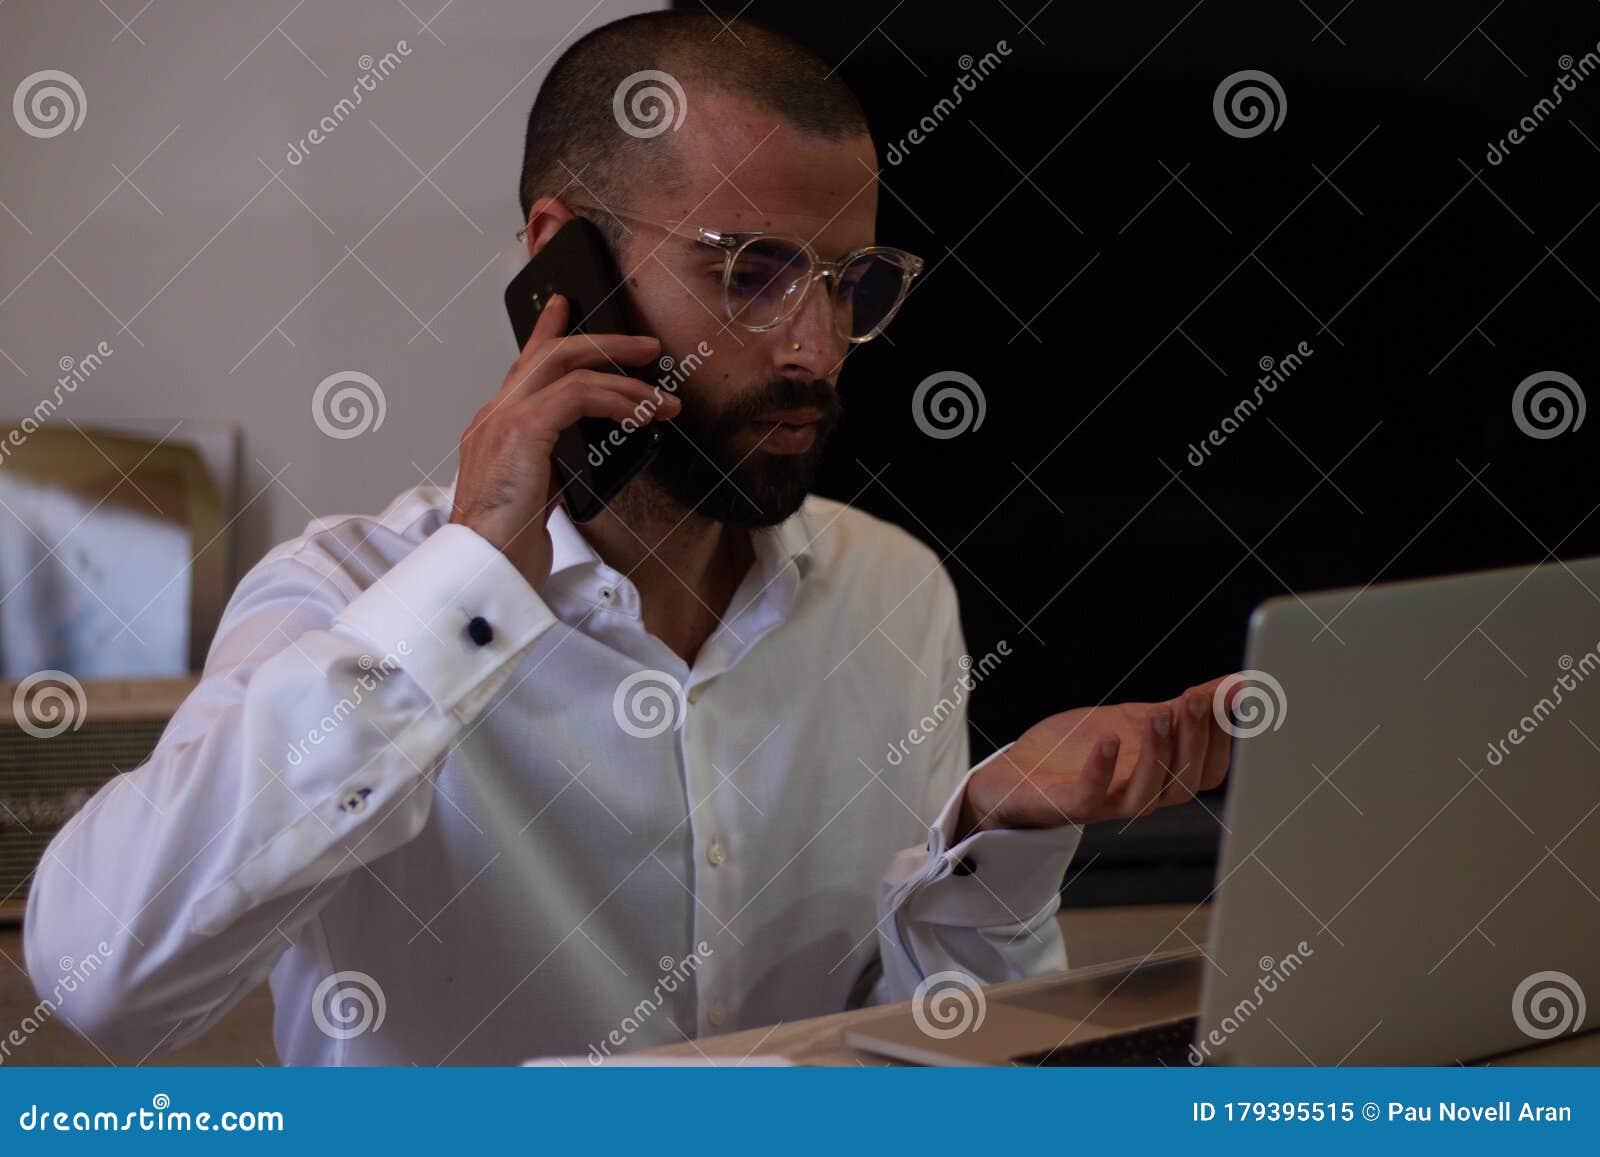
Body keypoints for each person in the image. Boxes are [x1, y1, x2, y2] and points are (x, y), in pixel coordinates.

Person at [25, 11, 1233, 1065]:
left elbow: (920, 1048)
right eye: (750, 273)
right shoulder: (349, 594)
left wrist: (996, 840)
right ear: (569, 255)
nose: (811, 347)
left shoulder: (888, 588)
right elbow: (104, 982)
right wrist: (467, 591)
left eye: (846, 282)